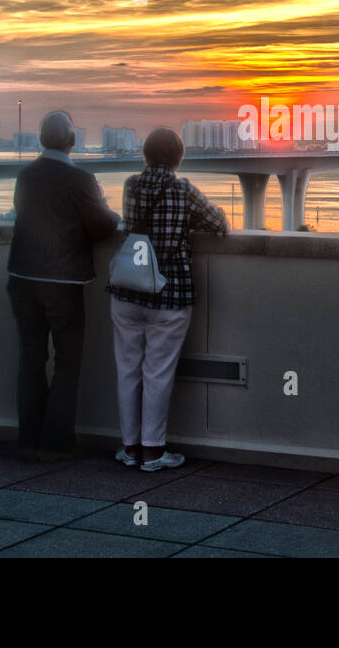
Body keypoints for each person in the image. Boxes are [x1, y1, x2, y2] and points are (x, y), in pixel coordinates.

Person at [107, 128, 228, 471]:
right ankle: (153, 452)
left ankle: (130, 448)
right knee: (157, 373)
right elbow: (219, 225)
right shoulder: (182, 189)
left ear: (145, 155)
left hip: (126, 291)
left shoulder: (131, 185)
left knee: (127, 370)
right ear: (178, 158)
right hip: (169, 294)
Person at [5, 110, 121, 462]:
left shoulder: (25, 176)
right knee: (68, 360)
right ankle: (55, 444)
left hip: (22, 277)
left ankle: (28, 440)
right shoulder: (81, 179)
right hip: (63, 281)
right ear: (73, 141)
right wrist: (113, 213)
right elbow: (102, 226)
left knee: (31, 357)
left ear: (40, 140)